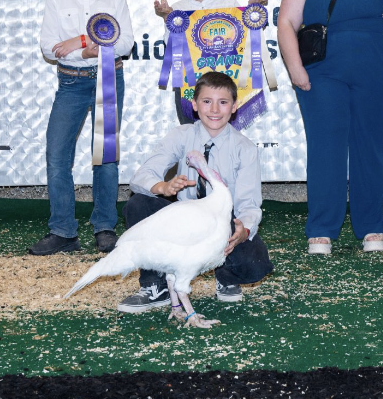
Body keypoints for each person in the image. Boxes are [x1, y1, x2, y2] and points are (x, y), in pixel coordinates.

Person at [277, 0, 383, 254]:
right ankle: (321, 228)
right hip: (323, 73)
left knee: (370, 147)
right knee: (325, 148)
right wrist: (295, 68)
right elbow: (286, 23)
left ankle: (371, 226)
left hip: (376, 70)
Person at [117, 72, 273, 312]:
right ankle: (155, 285)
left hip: (220, 224)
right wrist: (163, 187)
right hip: (184, 220)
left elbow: (249, 205)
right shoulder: (181, 135)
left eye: (223, 102)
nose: (214, 109)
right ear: (194, 105)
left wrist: (243, 231)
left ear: (234, 107)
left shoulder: (245, 149)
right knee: (139, 204)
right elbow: (141, 177)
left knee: (255, 263)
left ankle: (226, 277)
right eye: (206, 101)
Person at [29, 0, 134, 256]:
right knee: (57, 155)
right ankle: (63, 231)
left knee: (106, 157)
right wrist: (84, 50)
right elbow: (49, 47)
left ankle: (104, 227)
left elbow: (125, 43)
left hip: (108, 78)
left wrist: (80, 42)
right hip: (71, 82)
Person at [154, 0, 269, 124]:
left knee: (224, 135)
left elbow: (244, 41)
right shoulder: (177, 9)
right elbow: (171, 46)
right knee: (191, 134)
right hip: (190, 87)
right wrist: (167, 18)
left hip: (224, 85)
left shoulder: (228, 3)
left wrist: (251, 12)